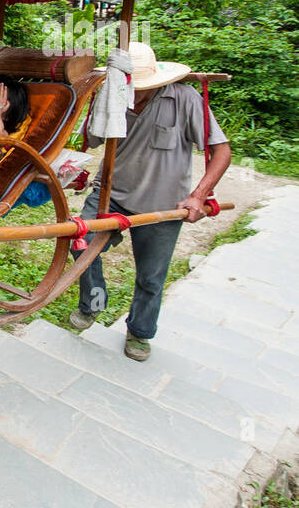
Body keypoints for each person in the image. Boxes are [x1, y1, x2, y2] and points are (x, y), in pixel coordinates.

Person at [69, 41, 231, 361]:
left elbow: (222, 152)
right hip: (110, 194)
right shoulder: (112, 96)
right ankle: (93, 304)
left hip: (163, 204)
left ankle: (140, 331)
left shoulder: (184, 98)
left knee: (151, 276)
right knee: (79, 244)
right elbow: (91, 139)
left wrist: (198, 196)